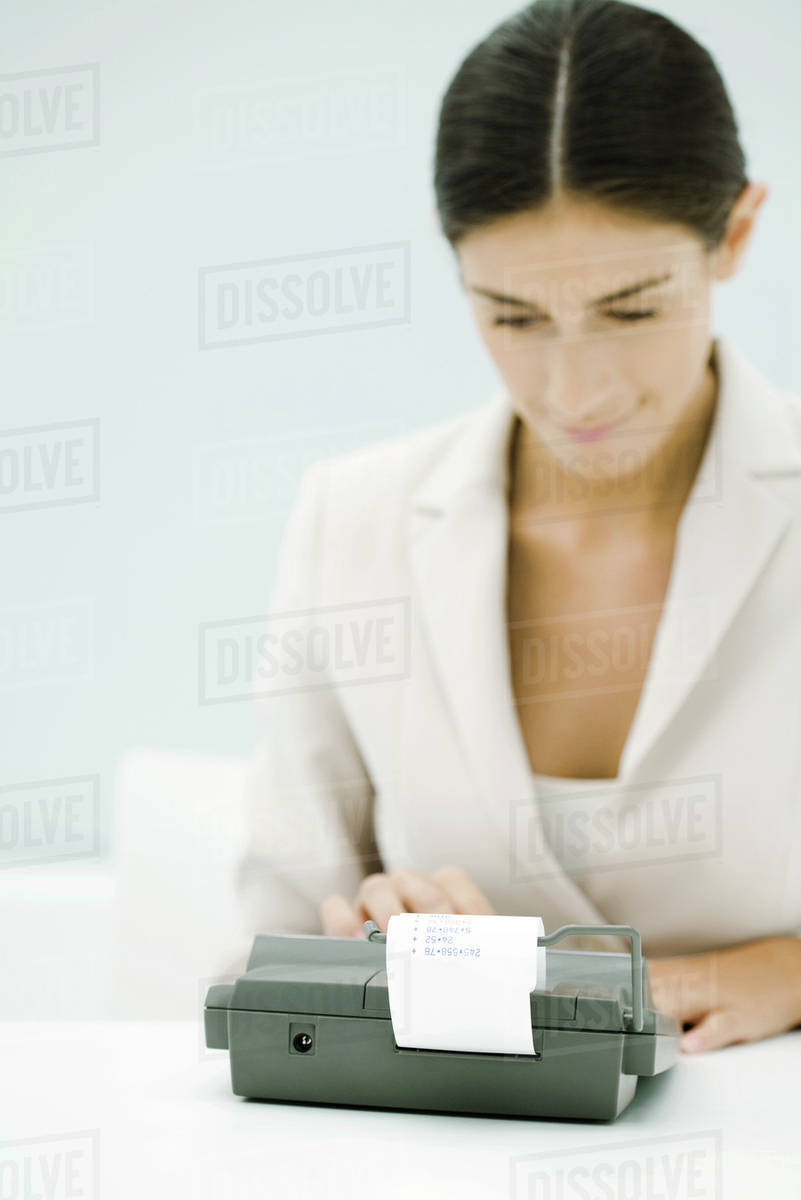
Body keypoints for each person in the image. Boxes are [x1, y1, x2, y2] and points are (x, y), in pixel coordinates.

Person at [235, 0, 801, 1053]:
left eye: (632, 310)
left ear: (737, 232)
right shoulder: (352, 519)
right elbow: (266, 954)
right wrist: (369, 948)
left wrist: (792, 972)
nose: (576, 389)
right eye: (513, 317)